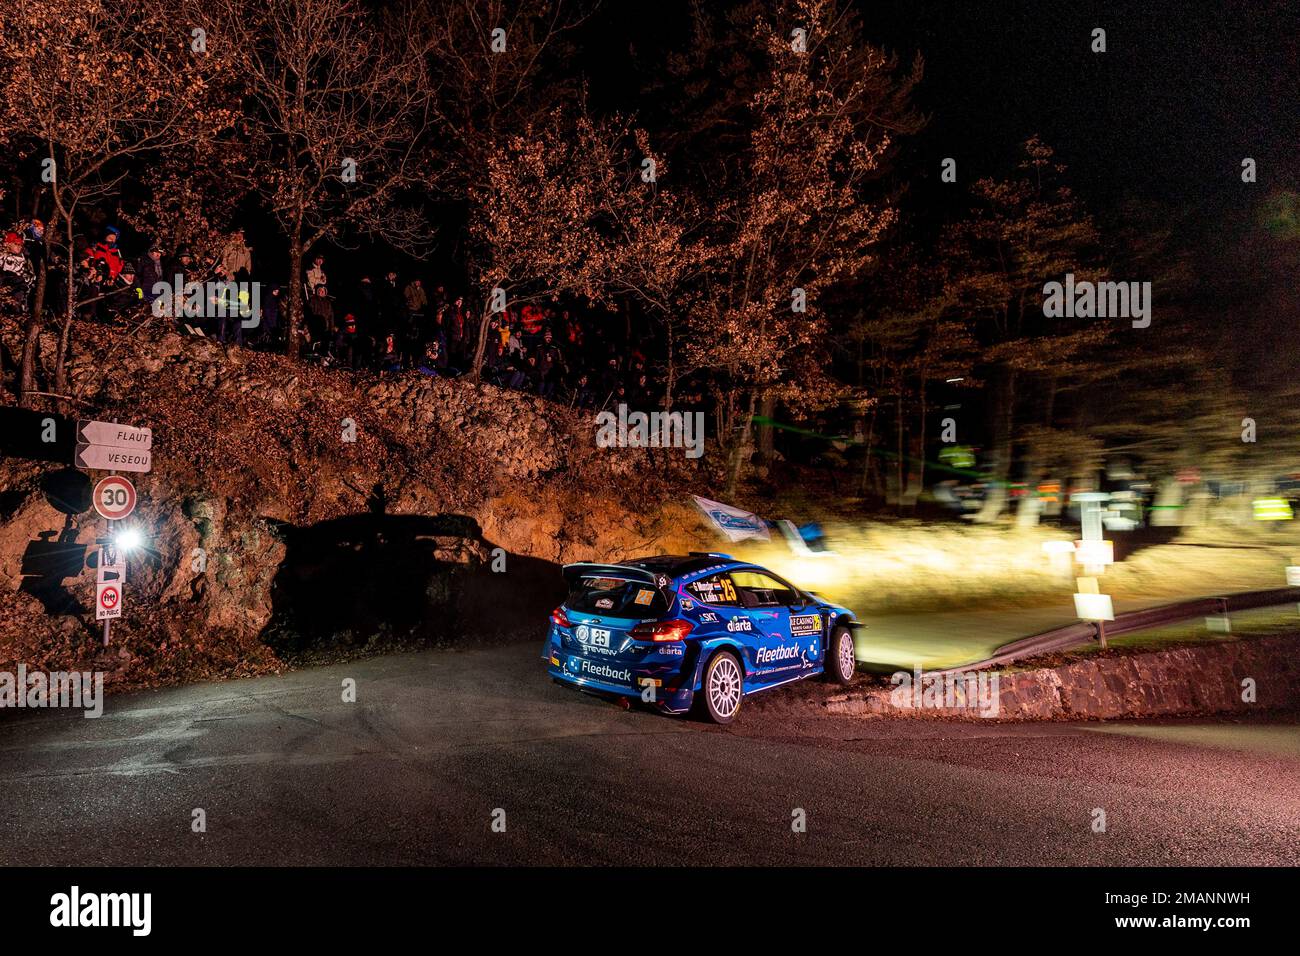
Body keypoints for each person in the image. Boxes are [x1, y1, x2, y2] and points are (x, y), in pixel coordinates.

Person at [0, 231, 33, 315]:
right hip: (5, 283)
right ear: (8, 244)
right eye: (16, 244)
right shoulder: (2, 255)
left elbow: (30, 274)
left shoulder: (25, 258)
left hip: (19, 287)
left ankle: (17, 312)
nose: (19, 247)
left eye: (20, 245)